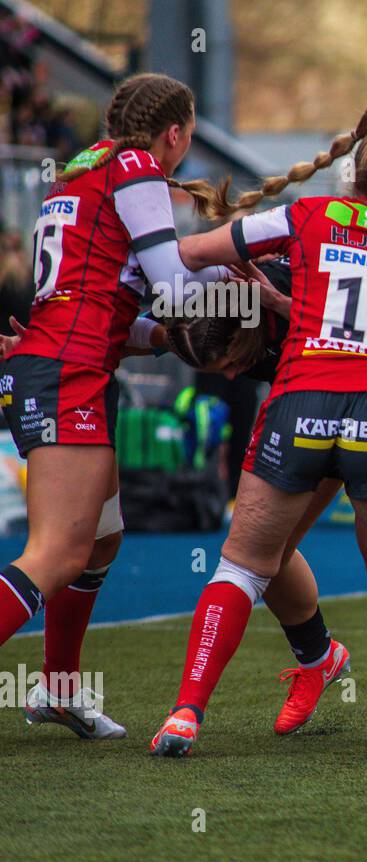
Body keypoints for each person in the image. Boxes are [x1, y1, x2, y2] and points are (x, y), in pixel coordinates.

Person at [149, 104, 367, 757]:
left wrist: (118, 275)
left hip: (301, 407)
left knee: (248, 566)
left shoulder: (308, 218)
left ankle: (186, 713)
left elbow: (190, 252)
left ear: (353, 177)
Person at [0, 74, 236, 739]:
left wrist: (164, 335)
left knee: (100, 541)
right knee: (56, 552)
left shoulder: (84, 169)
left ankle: (58, 688)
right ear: (176, 133)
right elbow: (175, 289)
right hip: (66, 374)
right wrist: (243, 278)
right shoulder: (134, 169)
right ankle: (55, 686)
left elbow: (115, 310)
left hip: (63, 365)